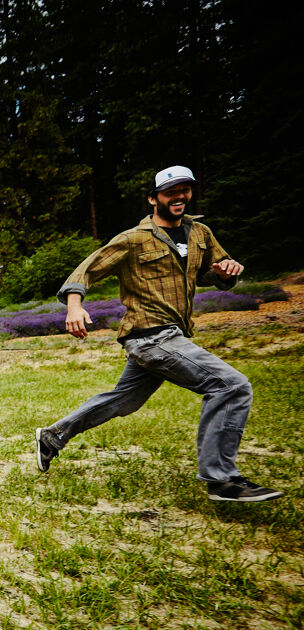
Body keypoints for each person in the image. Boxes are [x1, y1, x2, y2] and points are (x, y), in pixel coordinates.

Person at [35, 165, 283, 502]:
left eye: (185, 190)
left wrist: (227, 272)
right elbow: (87, 269)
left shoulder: (201, 234)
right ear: (154, 199)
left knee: (124, 400)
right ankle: (222, 479)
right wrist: (74, 307)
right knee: (231, 385)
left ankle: (53, 436)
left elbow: (214, 274)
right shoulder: (134, 239)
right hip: (150, 337)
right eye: (171, 191)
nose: (180, 196)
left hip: (174, 336)